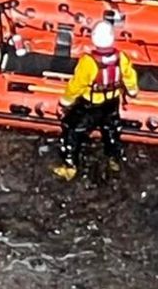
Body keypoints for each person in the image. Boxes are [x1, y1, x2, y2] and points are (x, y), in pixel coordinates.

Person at [53, 20, 139, 180]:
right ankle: (114, 159)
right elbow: (129, 76)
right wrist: (133, 91)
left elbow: (76, 85)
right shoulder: (122, 58)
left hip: (90, 105)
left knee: (72, 130)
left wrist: (65, 101)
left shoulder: (88, 62)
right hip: (112, 102)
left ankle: (70, 166)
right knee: (111, 130)